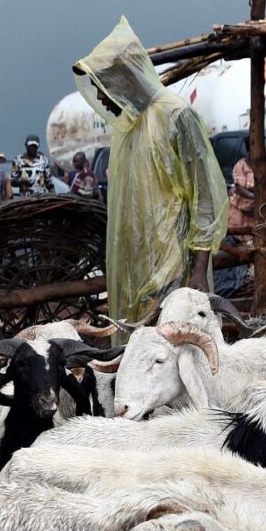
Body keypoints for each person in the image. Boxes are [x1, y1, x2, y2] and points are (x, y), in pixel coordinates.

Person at [73, 17, 226, 327]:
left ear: (124, 79)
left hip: (174, 268)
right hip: (133, 267)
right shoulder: (125, 128)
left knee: (173, 348)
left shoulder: (176, 115)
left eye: (104, 86)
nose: (100, 96)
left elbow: (205, 196)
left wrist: (198, 270)